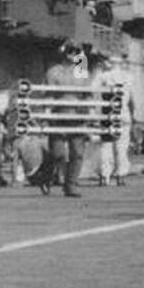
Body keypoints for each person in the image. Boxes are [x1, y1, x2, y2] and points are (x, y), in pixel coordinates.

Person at [37, 40, 91, 198]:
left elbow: (88, 94)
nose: (72, 54)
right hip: (58, 116)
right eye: (70, 50)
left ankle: (71, 185)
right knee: (58, 153)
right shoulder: (54, 71)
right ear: (63, 52)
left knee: (77, 152)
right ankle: (45, 177)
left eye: (76, 51)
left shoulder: (81, 69)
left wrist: (89, 114)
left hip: (77, 116)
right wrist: (45, 117)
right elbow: (48, 97)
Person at [92, 54, 133, 186]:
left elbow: (93, 91)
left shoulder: (102, 76)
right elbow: (132, 98)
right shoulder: (128, 77)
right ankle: (121, 176)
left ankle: (105, 176)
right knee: (122, 147)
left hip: (107, 113)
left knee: (106, 146)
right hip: (124, 113)